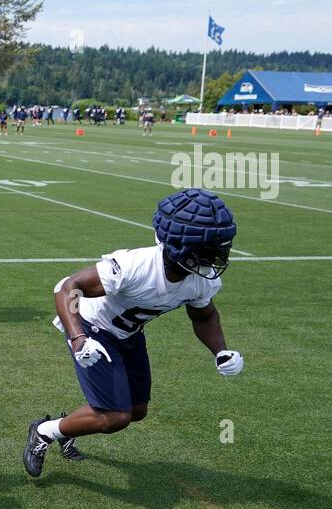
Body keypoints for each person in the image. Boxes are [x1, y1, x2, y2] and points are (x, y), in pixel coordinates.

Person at [22, 188, 242, 477]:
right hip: (92, 328)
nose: (215, 257)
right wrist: (78, 339)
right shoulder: (135, 266)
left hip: (128, 333)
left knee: (137, 409)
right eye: (208, 249)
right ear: (180, 244)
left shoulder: (200, 282)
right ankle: (43, 432)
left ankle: (69, 425)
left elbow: (204, 316)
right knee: (115, 416)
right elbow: (68, 288)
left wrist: (220, 351)